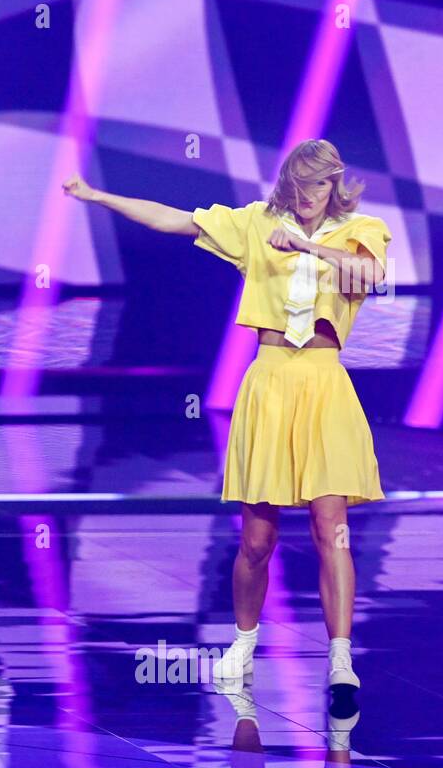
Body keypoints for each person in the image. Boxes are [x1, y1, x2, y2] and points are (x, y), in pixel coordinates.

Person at [63, 139, 392, 691]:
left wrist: (308, 248)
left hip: (324, 384)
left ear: (334, 185)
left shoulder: (361, 229)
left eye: (319, 184)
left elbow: (370, 275)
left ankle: (340, 660)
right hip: (269, 383)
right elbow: (175, 220)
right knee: (257, 540)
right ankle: (243, 644)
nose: (309, 195)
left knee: (331, 528)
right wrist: (98, 196)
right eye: (300, 184)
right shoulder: (257, 224)